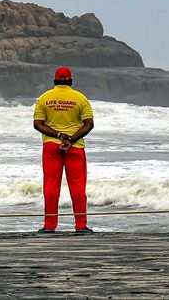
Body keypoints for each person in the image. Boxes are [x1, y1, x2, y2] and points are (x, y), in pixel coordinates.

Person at [33, 66, 95, 234]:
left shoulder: (44, 98)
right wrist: (71, 139)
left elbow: (38, 124)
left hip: (51, 146)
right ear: (71, 81)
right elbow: (89, 124)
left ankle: (49, 226)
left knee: (51, 186)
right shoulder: (80, 98)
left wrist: (59, 135)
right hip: (75, 147)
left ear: (54, 81)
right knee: (78, 187)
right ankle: (81, 225)